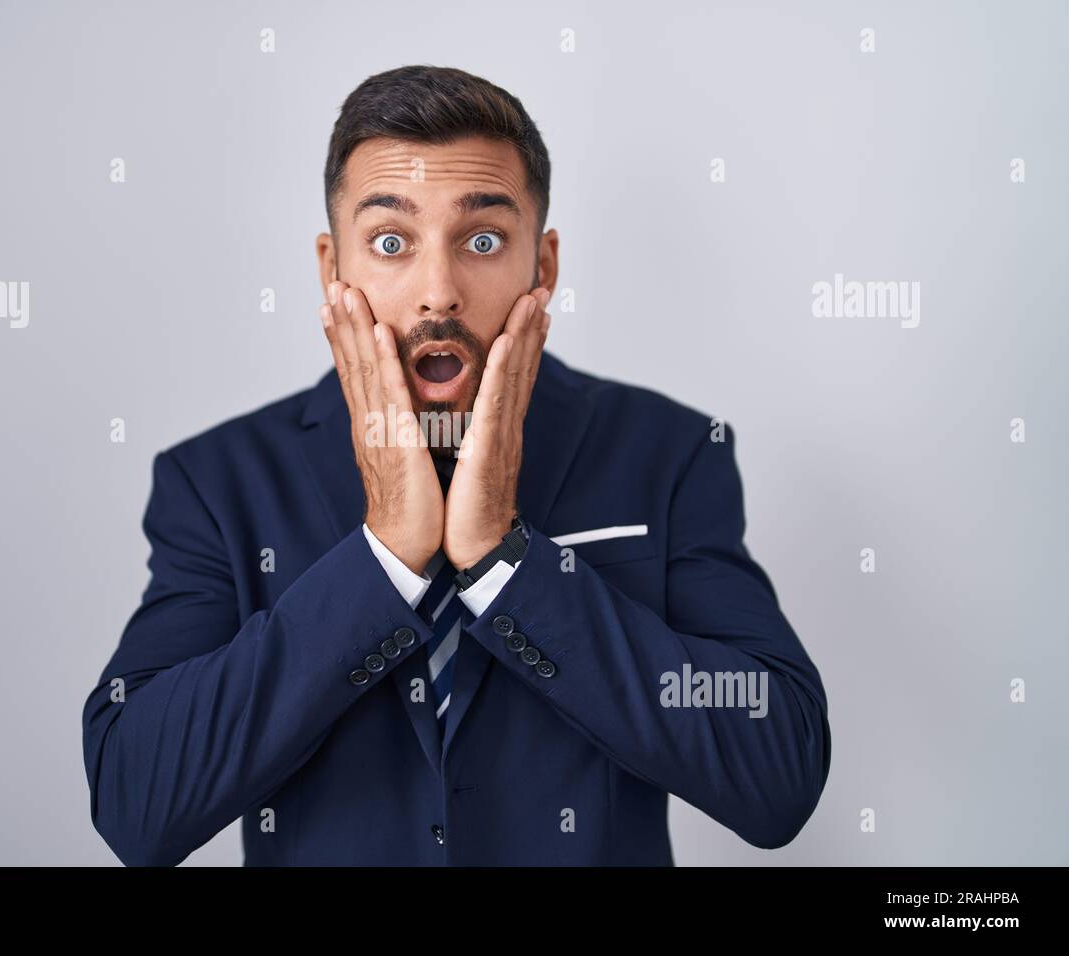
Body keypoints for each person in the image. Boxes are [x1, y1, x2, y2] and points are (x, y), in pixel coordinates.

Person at [81, 65, 831, 866]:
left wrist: (510, 564)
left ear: (542, 266)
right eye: (391, 242)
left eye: (481, 241)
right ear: (333, 270)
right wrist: (384, 562)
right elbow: (137, 801)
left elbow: (776, 770)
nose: (438, 294)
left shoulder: (668, 452)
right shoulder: (219, 481)